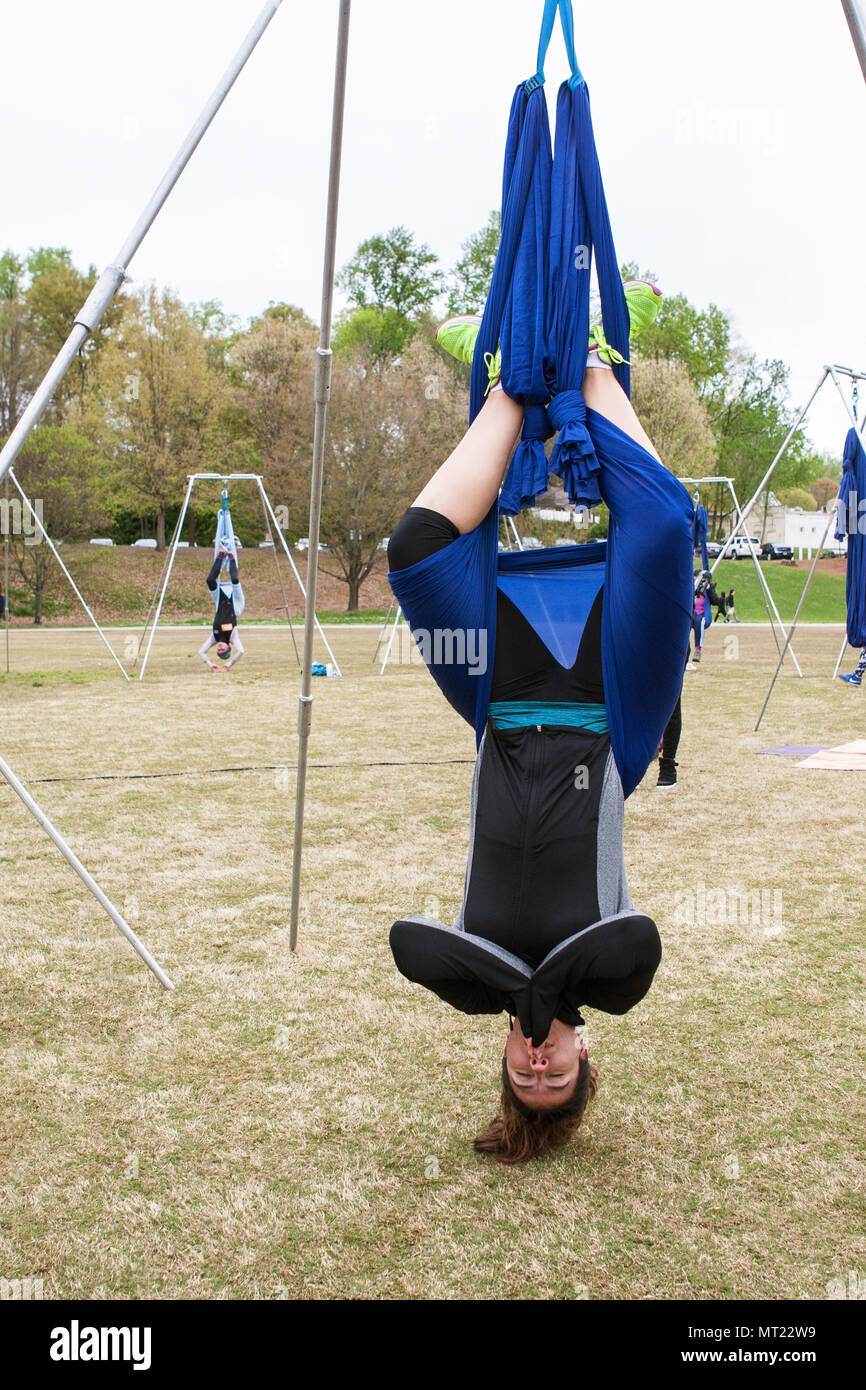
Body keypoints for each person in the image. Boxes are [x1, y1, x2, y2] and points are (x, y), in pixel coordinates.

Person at [387, 287, 693, 1164]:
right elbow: (633, 938)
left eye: (524, 1074)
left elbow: (411, 946)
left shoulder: (473, 969)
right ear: (585, 1054)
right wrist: (546, 996)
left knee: (414, 551)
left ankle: (510, 378)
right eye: (556, 1072)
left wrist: (510, 996)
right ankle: (588, 357)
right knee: (668, 525)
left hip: (502, 702)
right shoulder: (611, 979)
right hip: (613, 706)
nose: (538, 1059)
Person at [198, 546, 245, 671]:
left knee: (210, 581)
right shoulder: (232, 637)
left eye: (218, 650)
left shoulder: (215, 637)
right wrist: (230, 663)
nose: (219, 647)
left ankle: (220, 555)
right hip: (236, 603)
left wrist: (210, 664)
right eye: (222, 649)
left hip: (221, 600)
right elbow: (241, 651)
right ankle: (231, 556)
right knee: (235, 580)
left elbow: (201, 652)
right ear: (229, 647)